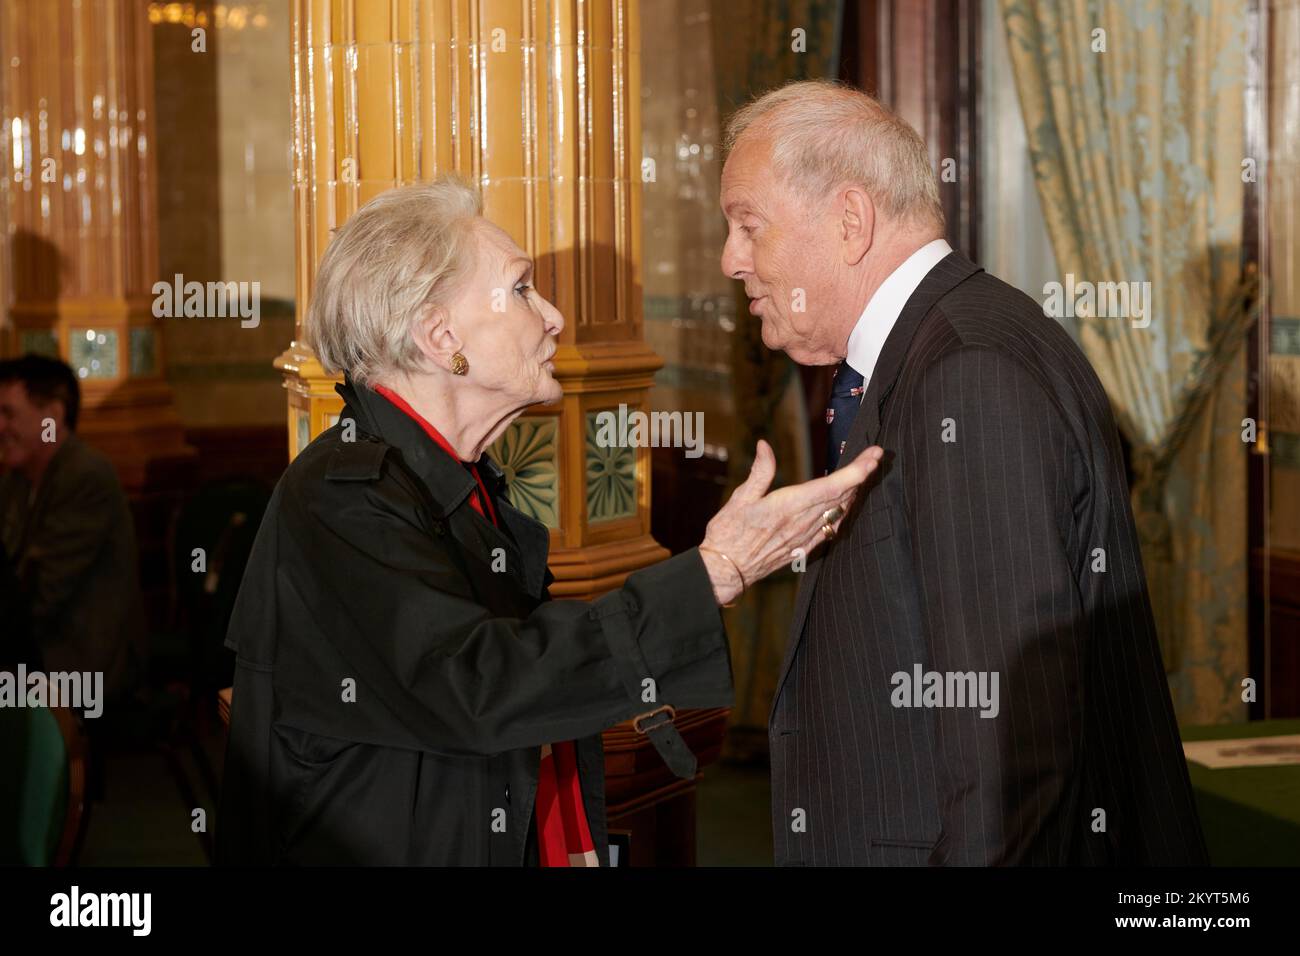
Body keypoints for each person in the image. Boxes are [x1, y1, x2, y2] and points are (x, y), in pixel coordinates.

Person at [215, 178, 883, 866]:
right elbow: (479, 685)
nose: (556, 316)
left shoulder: (453, 477)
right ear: (442, 337)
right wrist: (715, 572)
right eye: (523, 289)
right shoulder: (341, 496)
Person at [719, 79, 1207, 865]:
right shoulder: (941, 347)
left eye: (748, 226)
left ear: (849, 221)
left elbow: (1013, 743)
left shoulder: (968, 371)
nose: (731, 260)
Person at [0, 354, 144, 703]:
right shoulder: (16, 479)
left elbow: (40, 596)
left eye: (8, 413)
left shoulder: (84, 477)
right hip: (32, 649)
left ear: (53, 416)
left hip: (82, 665)